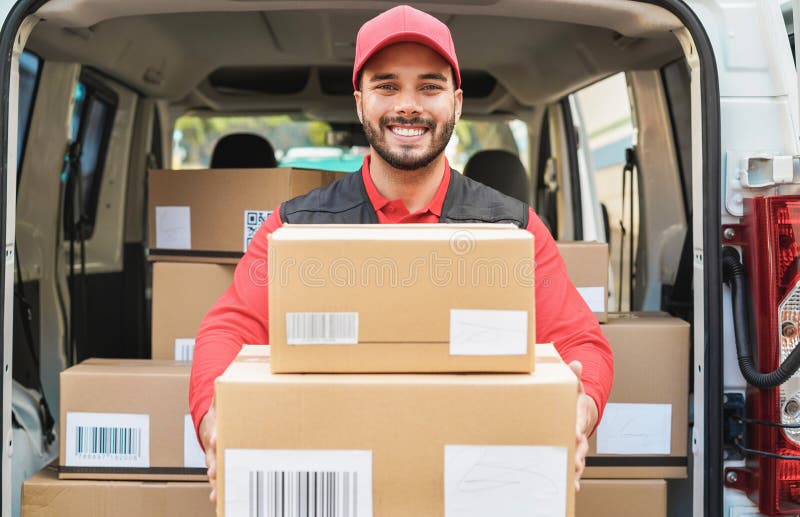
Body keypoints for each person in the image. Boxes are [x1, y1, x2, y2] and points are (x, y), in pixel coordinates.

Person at [189, 4, 613, 502]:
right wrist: (215, 418)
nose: (407, 105)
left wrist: (580, 407)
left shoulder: (512, 229)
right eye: (387, 86)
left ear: (456, 102)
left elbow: (580, 343)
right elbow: (230, 329)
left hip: (468, 484)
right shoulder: (295, 227)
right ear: (359, 100)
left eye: (429, 87)